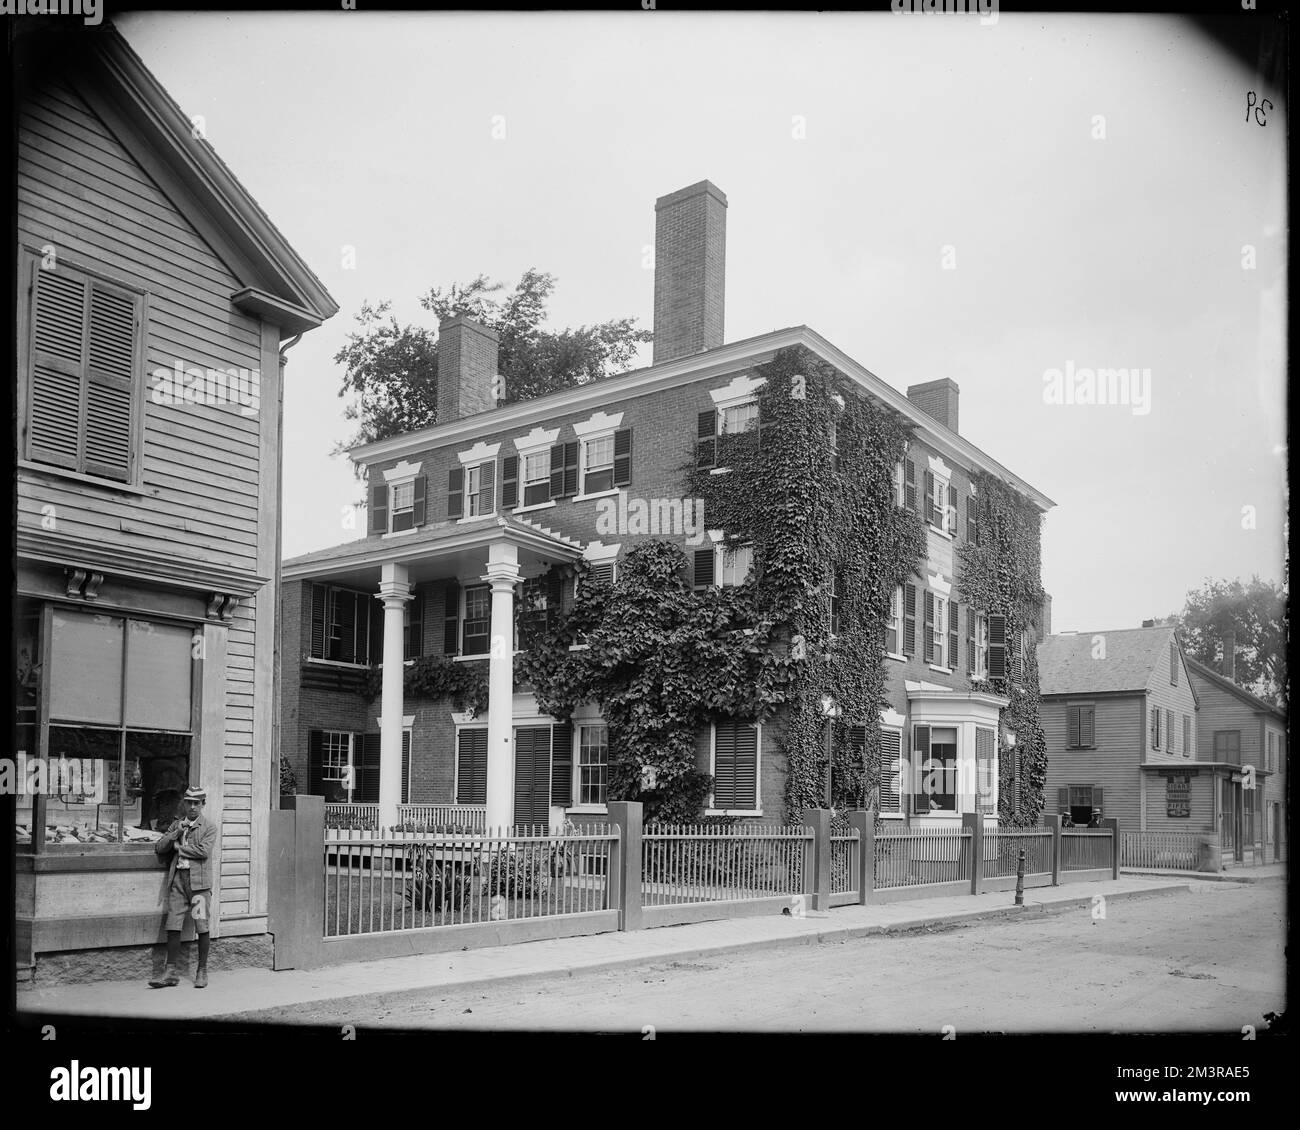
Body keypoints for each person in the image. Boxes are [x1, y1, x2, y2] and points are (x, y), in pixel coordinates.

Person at [149, 786, 217, 989]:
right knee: (173, 924)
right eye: (189, 803)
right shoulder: (177, 824)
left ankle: (202, 971)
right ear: (184, 804)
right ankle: (170, 972)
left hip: (198, 884)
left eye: (197, 803)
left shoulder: (209, 827)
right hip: (178, 880)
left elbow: (203, 851)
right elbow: (160, 847)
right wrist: (176, 833)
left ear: (203, 804)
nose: (193, 807)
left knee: (201, 925)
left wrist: (180, 848)